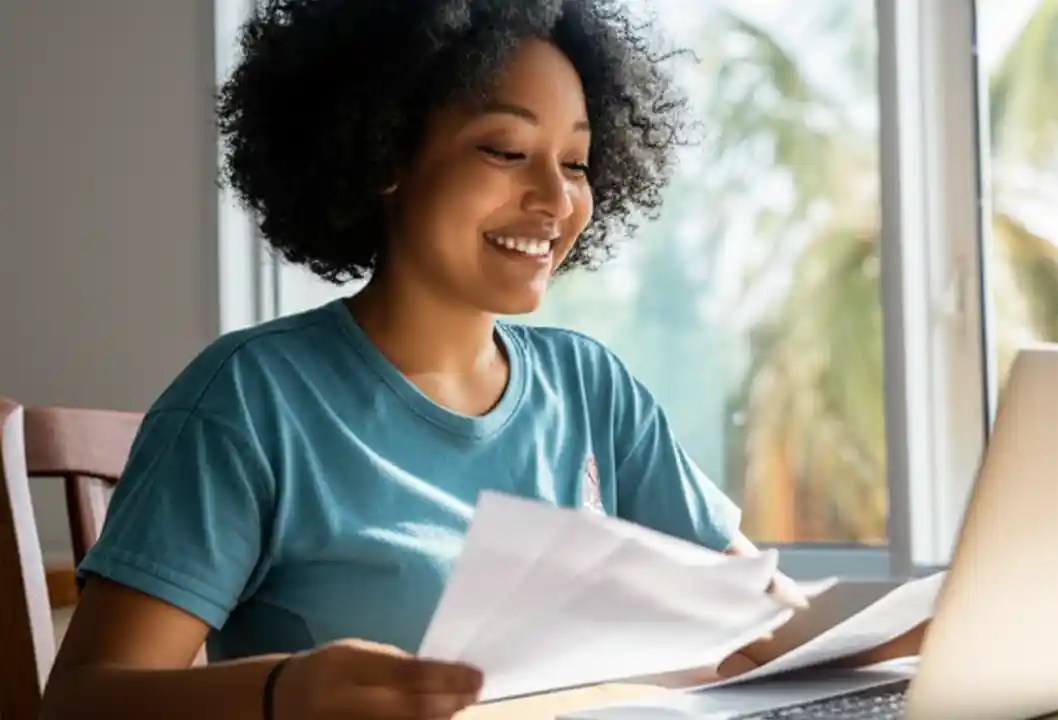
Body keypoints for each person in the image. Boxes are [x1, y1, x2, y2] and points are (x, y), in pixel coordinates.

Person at [40, 2, 809, 718]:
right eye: (507, 150)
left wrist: (913, 634)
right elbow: (80, 702)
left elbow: (771, 619)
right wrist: (285, 692)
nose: (555, 197)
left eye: (576, 162)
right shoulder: (249, 402)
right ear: (384, 152)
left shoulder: (591, 386)